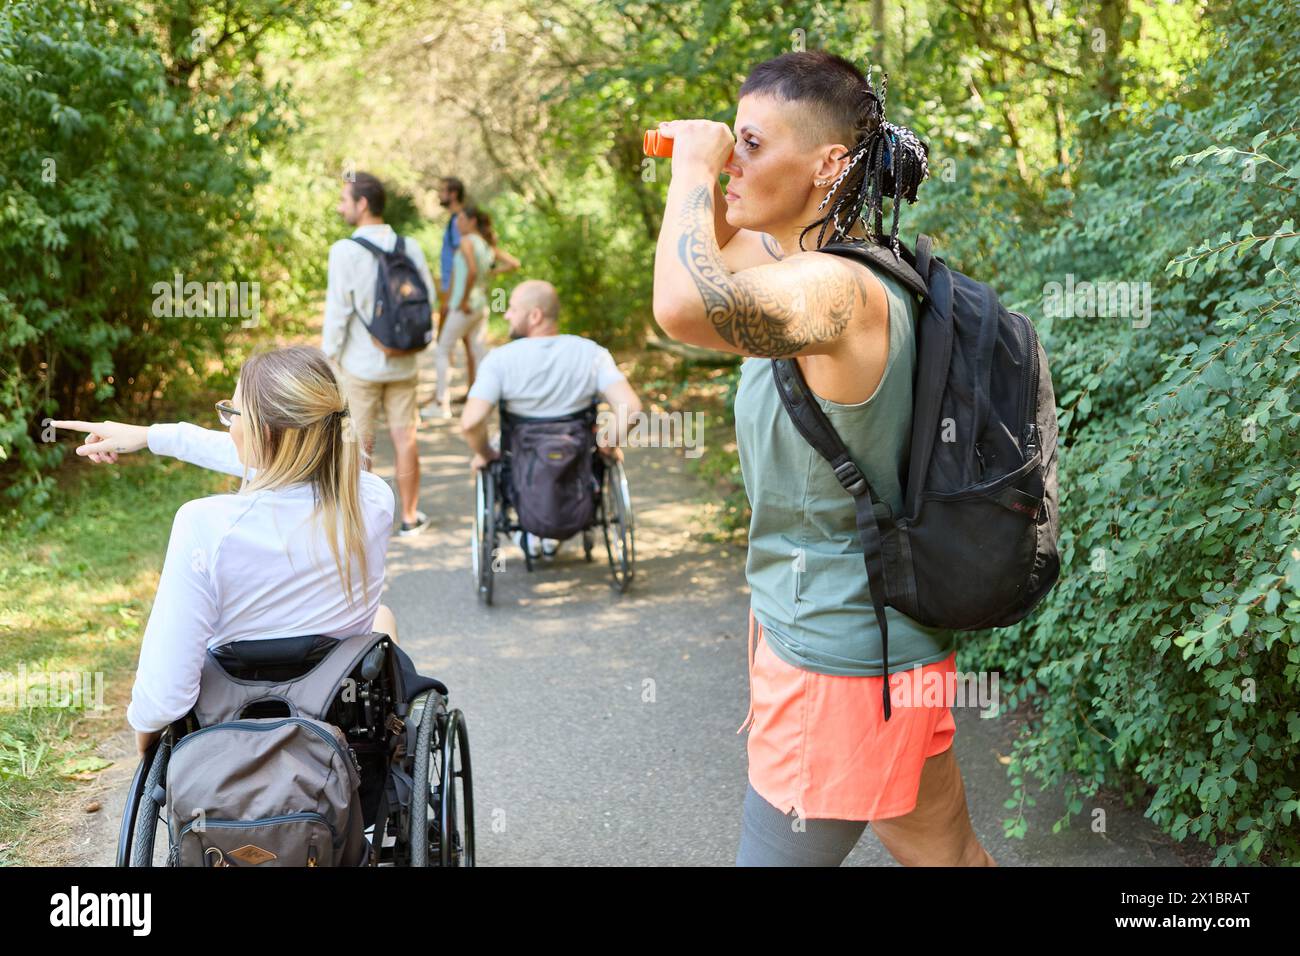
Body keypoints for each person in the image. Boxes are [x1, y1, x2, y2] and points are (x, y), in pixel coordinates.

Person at [652, 51, 995, 867]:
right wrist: (721, 170)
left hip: (840, 670)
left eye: (754, 144)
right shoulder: (848, 269)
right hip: (887, 645)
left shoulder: (831, 293)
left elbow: (680, 304)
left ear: (830, 163)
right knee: (953, 860)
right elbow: (707, 258)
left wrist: (697, 165)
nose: (735, 161)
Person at [51, 346, 401, 757]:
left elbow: (166, 689)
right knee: (383, 616)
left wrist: (146, 730)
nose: (228, 425)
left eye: (233, 414)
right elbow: (291, 461)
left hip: (228, 729)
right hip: (337, 718)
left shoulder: (205, 526)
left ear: (264, 434)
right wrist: (150, 436)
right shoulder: (373, 500)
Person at [460, 279, 641, 558]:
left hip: (521, 451)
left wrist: (484, 453)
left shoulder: (500, 360)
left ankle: (531, 528)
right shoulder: (591, 353)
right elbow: (630, 407)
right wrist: (607, 443)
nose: (506, 315)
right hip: (576, 451)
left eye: (512, 309)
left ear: (535, 315)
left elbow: (471, 422)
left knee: (500, 450)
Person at [323, 171, 433, 536]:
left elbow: (338, 313)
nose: (340, 207)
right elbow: (426, 298)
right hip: (403, 362)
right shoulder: (409, 245)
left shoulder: (345, 251)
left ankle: (360, 525)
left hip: (361, 367)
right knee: (406, 437)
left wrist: (328, 360)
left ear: (362, 204)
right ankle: (410, 518)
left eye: (344, 200)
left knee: (358, 443)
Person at [428, 204, 515, 419]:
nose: (457, 224)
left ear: (472, 221)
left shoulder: (467, 242)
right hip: (480, 305)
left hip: (465, 306)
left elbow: (472, 272)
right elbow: (513, 263)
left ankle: (441, 403)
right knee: (479, 353)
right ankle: (488, 400)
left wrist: (464, 299)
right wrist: (491, 273)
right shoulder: (486, 245)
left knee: (443, 349)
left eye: (461, 220)